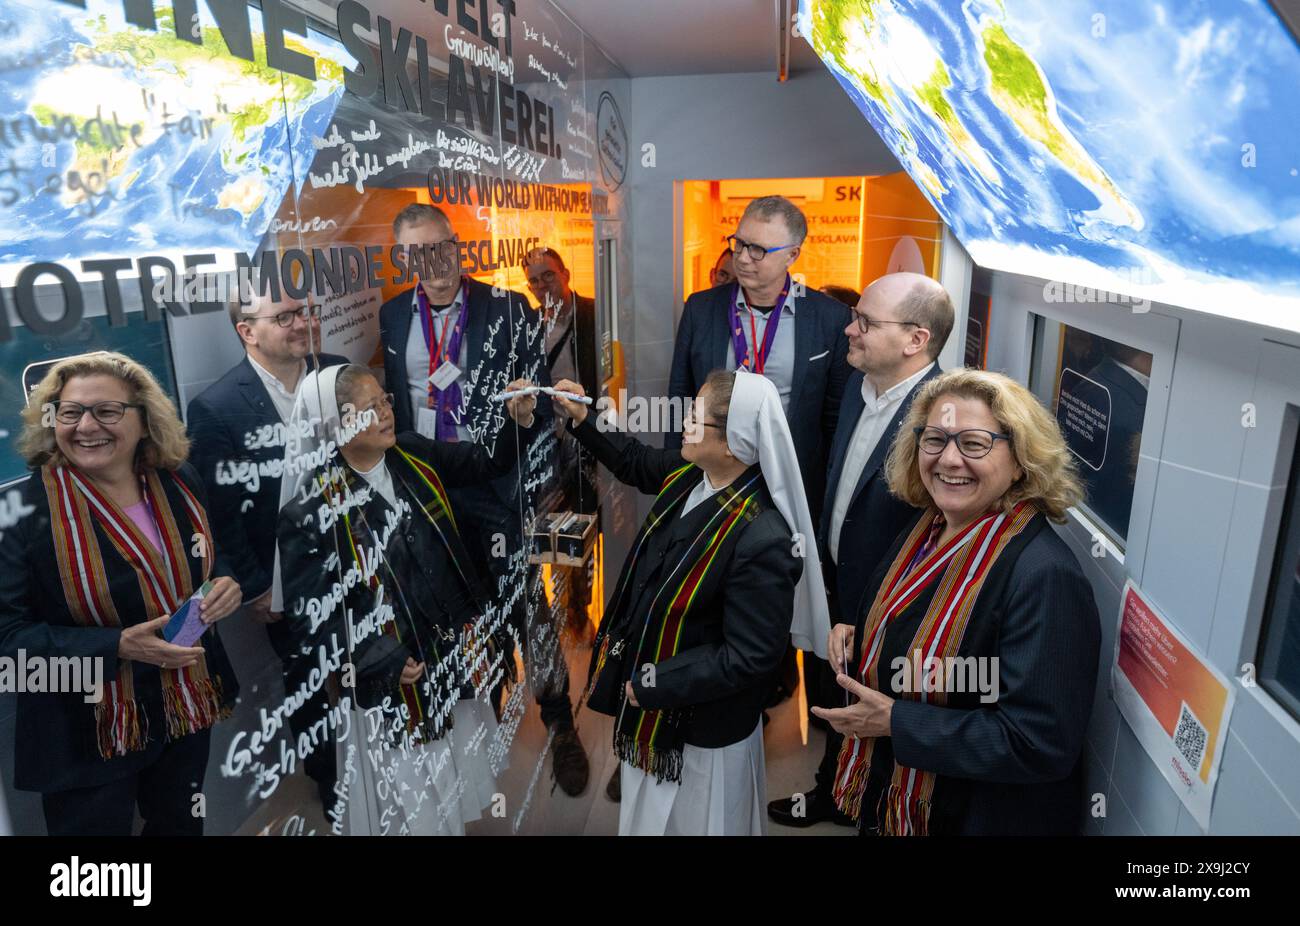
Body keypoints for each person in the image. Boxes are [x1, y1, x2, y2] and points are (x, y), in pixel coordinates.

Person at [813, 368, 1101, 835]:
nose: (949, 459)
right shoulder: (931, 525)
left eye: (973, 443)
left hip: (970, 817)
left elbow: (1038, 742)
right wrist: (863, 633)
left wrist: (896, 722)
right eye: (936, 439)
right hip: (900, 799)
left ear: (1022, 458)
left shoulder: (1045, 576)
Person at [552, 370, 829, 836]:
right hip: (658, 706)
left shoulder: (762, 537)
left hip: (701, 735)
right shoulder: (694, 475)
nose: (684, 422)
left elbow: (750, 656)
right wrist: (581, 417)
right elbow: (636, 462)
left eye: (696, 418)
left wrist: (655, 682)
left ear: (733, 442)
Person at [376, 204, 588, 796]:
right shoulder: (394, 318)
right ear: (404, 259)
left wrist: (525, 416)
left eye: (443, 246)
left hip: (492, 481)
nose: (435, 262)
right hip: (426, 483)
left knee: (524, 607)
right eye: (418, 253)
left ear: (458, 245)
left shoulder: (506, 308)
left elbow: (539, 401)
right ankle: (481, 716)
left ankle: (559, 719)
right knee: (447, 606)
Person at [275, 364, 539, 834]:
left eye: (385, 401)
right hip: (394, 682)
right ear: (336, 426)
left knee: (456, 769)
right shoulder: (311, 512)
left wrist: (516, 421)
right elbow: (312, 619)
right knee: (412, 797)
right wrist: (382, 655)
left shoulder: (412, 453)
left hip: (449, 652)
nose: (384, 413)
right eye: (369, 407)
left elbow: (483, 463)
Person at [0, 352, 242, 836]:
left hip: (184, 704)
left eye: (106, 411)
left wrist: (225, 585)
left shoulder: (178, 482)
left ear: (144, 419)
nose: (86, 426)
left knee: (179, 827)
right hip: (83, 730)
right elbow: (8, 644)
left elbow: (211, 561)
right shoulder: (21, 514)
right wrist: (116, 647)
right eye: (69, 413)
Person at [769, 272, 952, 828]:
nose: (849, 328)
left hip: (898, 604)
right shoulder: (857, 383)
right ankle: (835, 791)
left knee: (880, 712)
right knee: (837, 697)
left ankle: (871, 806)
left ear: (915, 340)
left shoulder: (943, 415)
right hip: (837, 583)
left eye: (866, 322)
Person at [186, 291, 348, 806]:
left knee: (374, 658)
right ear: (247, 331)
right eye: (285, 317)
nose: (302, 323)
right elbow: (221, 513)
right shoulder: (216, 407)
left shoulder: (337, 372)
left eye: (304, 312)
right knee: (308, 680)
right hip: (288, 576)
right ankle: (331, 783)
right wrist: (256, 586)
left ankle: (384, 760)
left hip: (358, 551)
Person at [668, 195, 851, 523]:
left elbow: (834, 419)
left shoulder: (830, 319)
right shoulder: (700, 309)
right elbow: (679, 398)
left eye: (758, 250)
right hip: (713, 477)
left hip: (790, 480)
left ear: (792, 255)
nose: (742, 258)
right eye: (739, 244)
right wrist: (675, 481)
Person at [520, 246, 600, 794]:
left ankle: (579, 607)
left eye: (548, 275)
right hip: (542, 453)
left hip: (589, 446)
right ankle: (567, 606)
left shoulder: (595, 313)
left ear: (566, 275)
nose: (542, 285)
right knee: (552, 538)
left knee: (587, 532)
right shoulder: (524, 324)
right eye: (533, 280)